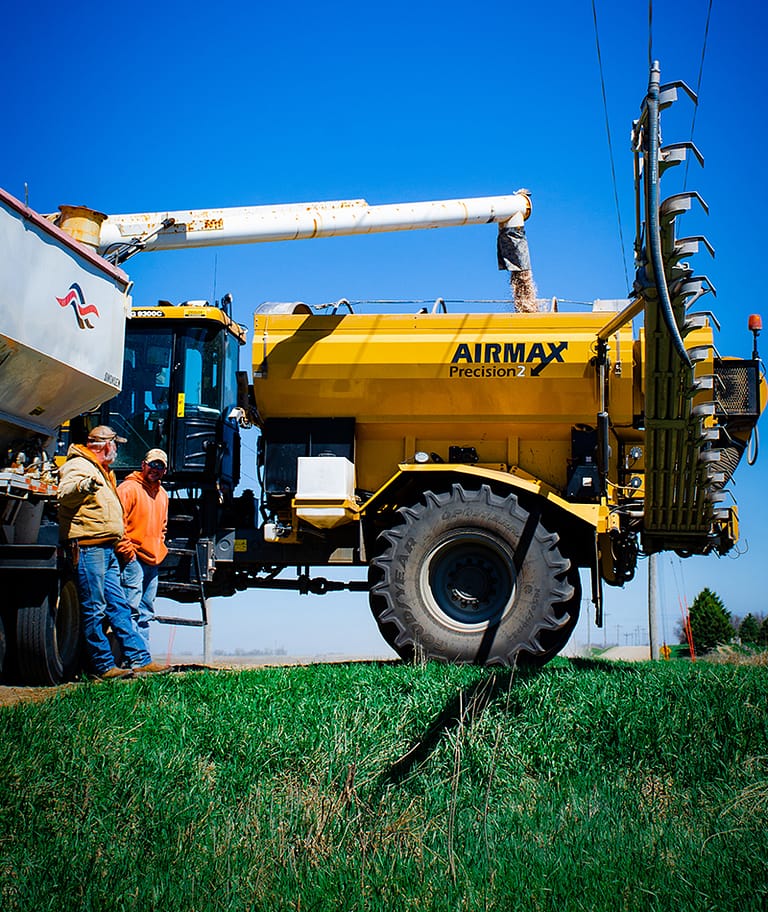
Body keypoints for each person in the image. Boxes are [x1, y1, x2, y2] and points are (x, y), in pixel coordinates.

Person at [57, 426, 167, 679]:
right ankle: (103, 666)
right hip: (89, 548)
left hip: (106, 548)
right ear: (106, 445)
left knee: (119, 606)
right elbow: (64, 492)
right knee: (95, 608)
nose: (117, 450)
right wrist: (84, 485)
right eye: (115, 445)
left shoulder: (105, 471)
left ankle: (140, 659)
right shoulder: (80, 467)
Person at [116, 448, 169, 649]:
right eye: (152, 464)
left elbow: (163, 526)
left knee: (146, 610)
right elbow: (117, 523)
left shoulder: (162, 495)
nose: (155, 469)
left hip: (152, 560)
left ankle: (143, 653)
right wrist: (127, 553)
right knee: (131, 608)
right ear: (143, 465)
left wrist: (159, 546)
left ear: (164, 471)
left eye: (160, 466)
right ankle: (130, 654)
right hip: (134, 559)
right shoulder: (128, 489)